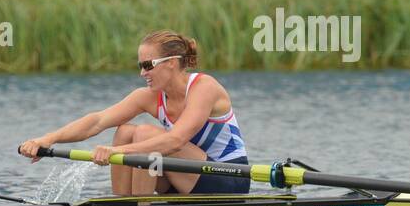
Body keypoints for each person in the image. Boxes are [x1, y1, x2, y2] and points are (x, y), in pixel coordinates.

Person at [18, 30, 250, 195]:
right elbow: (97, 121)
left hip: (229, 177)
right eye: (140, 66)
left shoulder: (204, 87)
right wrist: (48, 138)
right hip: (186, 175)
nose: (142, 73)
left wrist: (115, 152)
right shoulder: (148, 96)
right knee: (126, 131)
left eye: (148, 65)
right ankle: (125, 203)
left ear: (171, 62)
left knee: (145, 134)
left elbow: (175, 141)